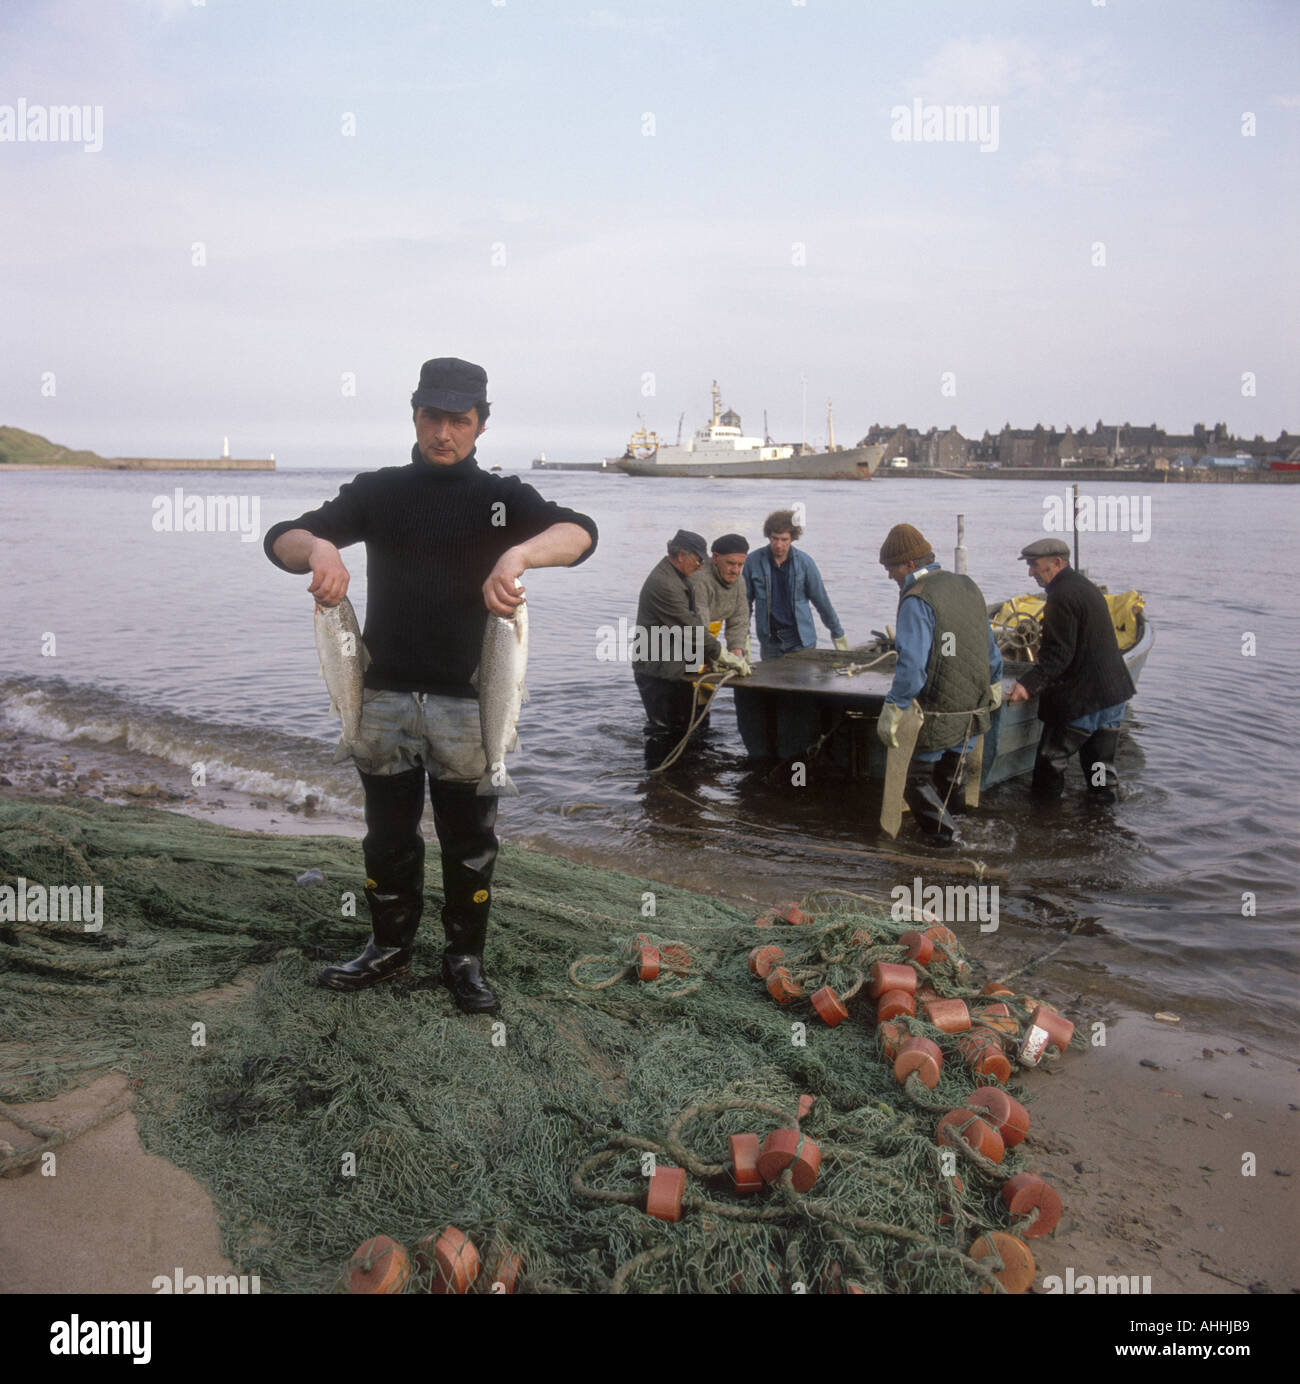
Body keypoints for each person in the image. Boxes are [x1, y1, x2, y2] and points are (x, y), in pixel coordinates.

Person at [263, 357, 597, 1012]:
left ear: (481, 424)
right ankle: (387, 948)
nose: (444, 432)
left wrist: (519, 552)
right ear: (414, 414)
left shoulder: (501, 499)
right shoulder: (379, 491)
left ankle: (464, 959)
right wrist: (323, 550)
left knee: (470, 842)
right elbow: (282, 539)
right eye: (432, 417)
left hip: (470, 706)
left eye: (459, 420)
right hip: (380, 696)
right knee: (386, 836)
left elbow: (581, 533)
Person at [875, 524, 1003, 845]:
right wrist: (996, 682)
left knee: (914, 780)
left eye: (891, 569)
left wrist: (894, 708)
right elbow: (989, 648)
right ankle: (967, 837)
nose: (890, 576)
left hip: (939, 712)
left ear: (909, 565)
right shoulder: (967, 586)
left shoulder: (917, 599)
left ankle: (949, 843)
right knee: (949, 778)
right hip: (973, 709)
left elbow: (912, 667)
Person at [1007, 538, 1135, 802]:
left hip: (1083, 702)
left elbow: (1058, 655)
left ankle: (1045, 823)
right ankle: (1103, 823)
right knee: (1100, 772)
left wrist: (1027, 684)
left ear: (1056, 563)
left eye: (1034, 565)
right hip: (1111, 697)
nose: (1030, 572)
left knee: (1050, 764)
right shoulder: (1084, 587)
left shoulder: (1061, 596)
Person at [631, 529, 730, 763]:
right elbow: (689, 627)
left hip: (674, 668)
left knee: (688, 727)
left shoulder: (678, 575)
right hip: (656, 671)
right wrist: (721, 653)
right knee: (663, 732)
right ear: (681, 555)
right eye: (698, 560)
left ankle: (680, 776)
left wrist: (707, 658)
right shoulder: (664, 583)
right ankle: (657, 780)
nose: (700, 566)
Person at [743, 509, 849, 659]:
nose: (779, 545)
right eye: (775, 538)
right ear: (768, 536)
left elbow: (822, 602)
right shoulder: (752, 561)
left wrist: (838, 636)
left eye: (784, 539)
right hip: (770, 642)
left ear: (792, 538)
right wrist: (744, 640)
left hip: (801, 640)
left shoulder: (805, 563)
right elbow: (744, 605)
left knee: (802, 682)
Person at [690, 533, 753, 675]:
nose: (735, 570)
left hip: (710, 634)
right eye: (730, 563)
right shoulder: (700, 580)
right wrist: (716, 658)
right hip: (688, 635)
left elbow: (739, 619)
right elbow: (700, 624)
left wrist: (736, 651)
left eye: (740, 565)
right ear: (716, 558)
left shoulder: (739, 581)